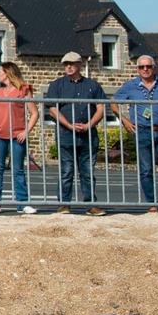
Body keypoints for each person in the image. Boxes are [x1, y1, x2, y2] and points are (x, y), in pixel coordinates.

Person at [112, 55, 158, 212]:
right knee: (146, 170)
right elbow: (113, 103)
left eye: (148, 66)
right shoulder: (130, 85)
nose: (145, 69)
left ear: (154, 68)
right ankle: (152, 204)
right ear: (137, 69)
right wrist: (124, 120)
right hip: (141, 132)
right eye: (141, 67)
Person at [44, 51, 107, 215]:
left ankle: (91, 204)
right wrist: (69, 125)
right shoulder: (56, 85)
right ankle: (64, 204)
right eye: (66, 64)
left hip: (88, 136)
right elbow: (52, 110)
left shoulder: (93, 85)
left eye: (72, 63)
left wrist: (89, 125)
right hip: (66, 136)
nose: (69, 67)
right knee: (66, 171)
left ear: (80, 65)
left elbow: (101, 108)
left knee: (87, 172)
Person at [0, 62, 37, 214]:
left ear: (7, 73)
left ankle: (22, 202)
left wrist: (26, 131)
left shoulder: (23, 90)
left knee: (18, 169)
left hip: (16, 135)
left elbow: (34, 113)